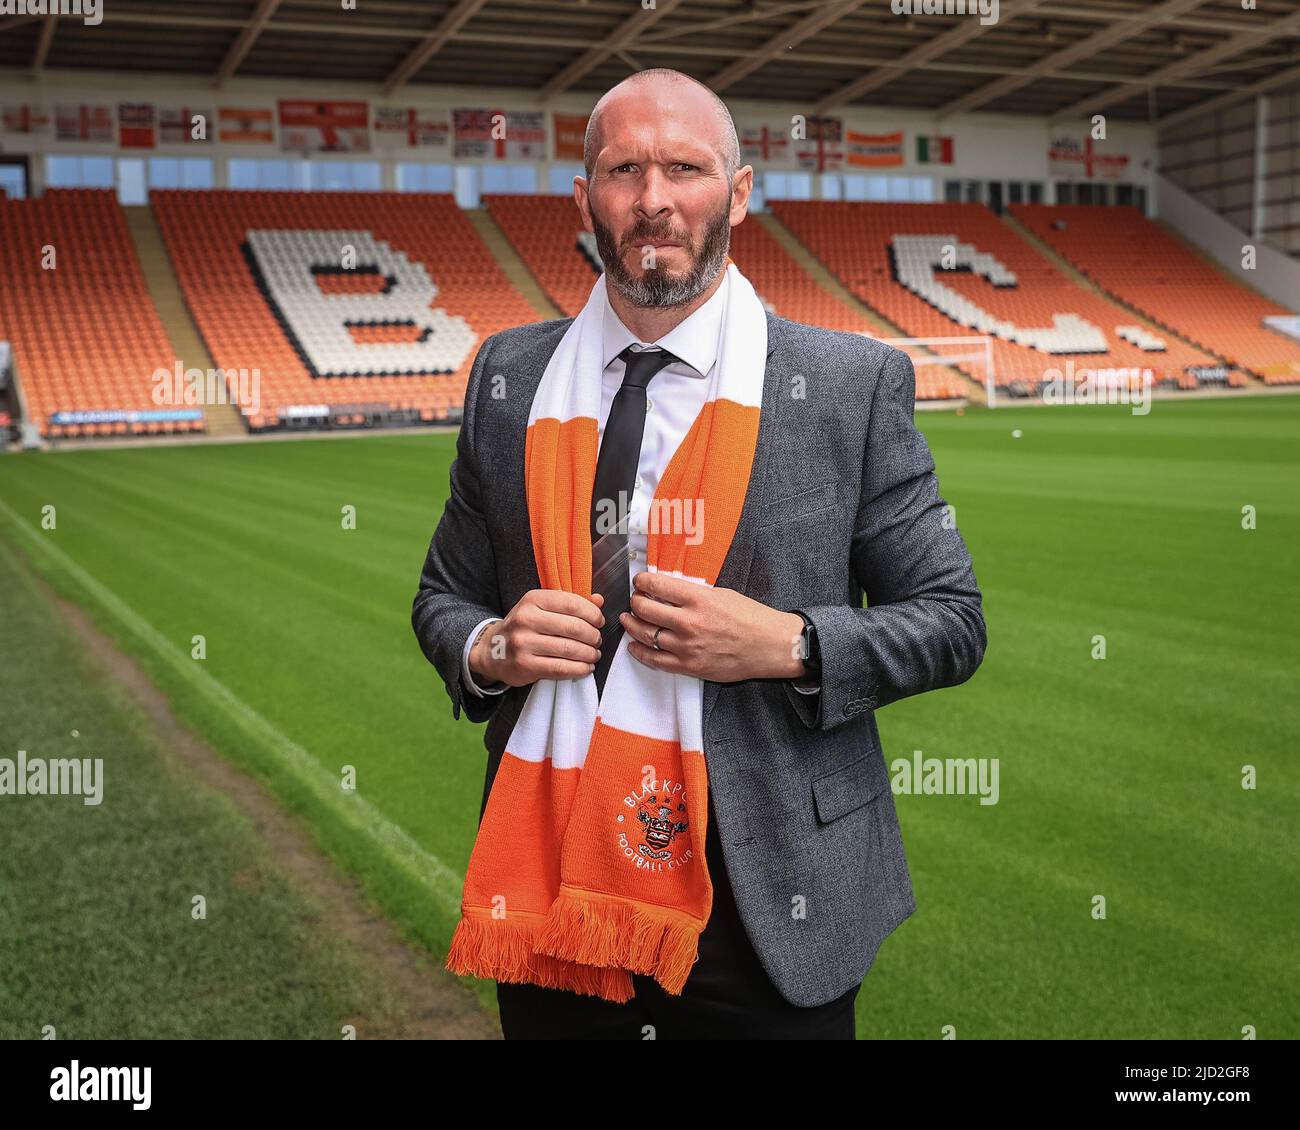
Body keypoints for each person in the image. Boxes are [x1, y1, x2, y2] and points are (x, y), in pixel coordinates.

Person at [412, 68, 986, 1040]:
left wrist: (793, 643)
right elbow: (443, 594)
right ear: (582, 198)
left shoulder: (848, 385)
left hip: (767, 899)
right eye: (622, 169)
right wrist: (490, 648)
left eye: (685, 167)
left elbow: (951, 620)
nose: (653, 200)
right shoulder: (509, 375)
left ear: (740, 192)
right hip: (555, 879)